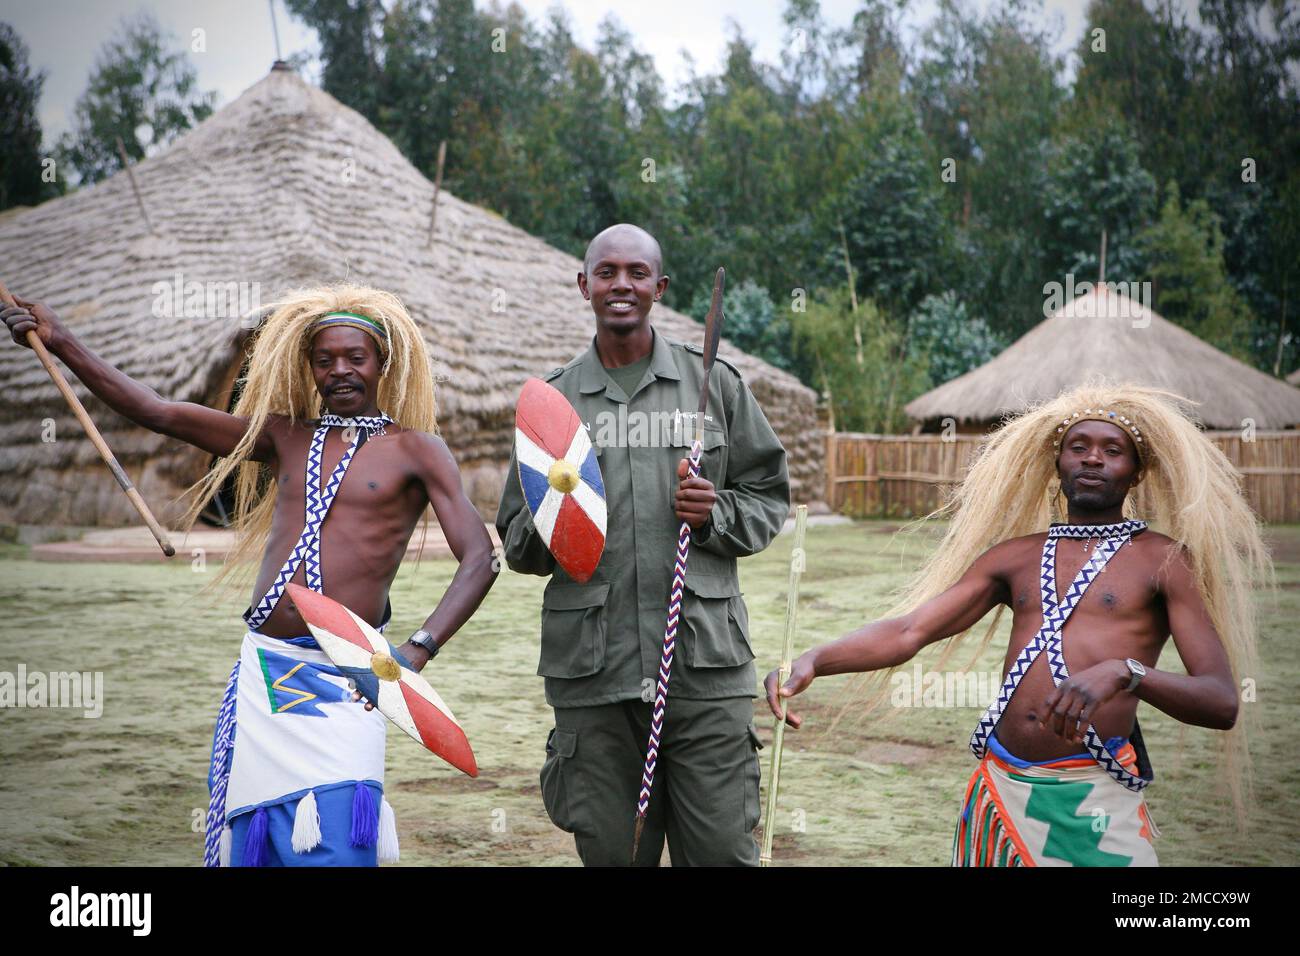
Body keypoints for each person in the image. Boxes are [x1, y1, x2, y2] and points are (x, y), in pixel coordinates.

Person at [3, 285, 497, 866]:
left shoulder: (418, 450)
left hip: (351, 681)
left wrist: (415, 651)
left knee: (335, 846)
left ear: (382, 364)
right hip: (265, 673)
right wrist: (62, 341)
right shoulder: (283, 436)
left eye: (355, 358)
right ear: (309, 368)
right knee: (261, 846)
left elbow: (480, 558)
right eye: (325, 359)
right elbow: (158, 411)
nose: (340, 371)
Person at [765, 384, 1269, 867]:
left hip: (1094, 802)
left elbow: (1221, 702)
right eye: (1079, 447)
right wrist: (813, 660)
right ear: (1058, 463)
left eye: (1112, 450)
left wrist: (1125, 671)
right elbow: (908, 632)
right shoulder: (1015, 559)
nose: (1093, 459)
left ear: (1136, 473)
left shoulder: (1164, 561)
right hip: (1001, 792)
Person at [496, 224, 790, 866]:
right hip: (595, 676)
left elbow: (769, 497)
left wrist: (716, 515)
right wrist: (561, 523)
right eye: (606, 272)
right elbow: (515, 538)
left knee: (719, 855)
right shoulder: (553, 403)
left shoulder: (714, 386)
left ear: (659, 288)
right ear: (584, 286)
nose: (620, 284)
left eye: (636, 273)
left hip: (704, 672)